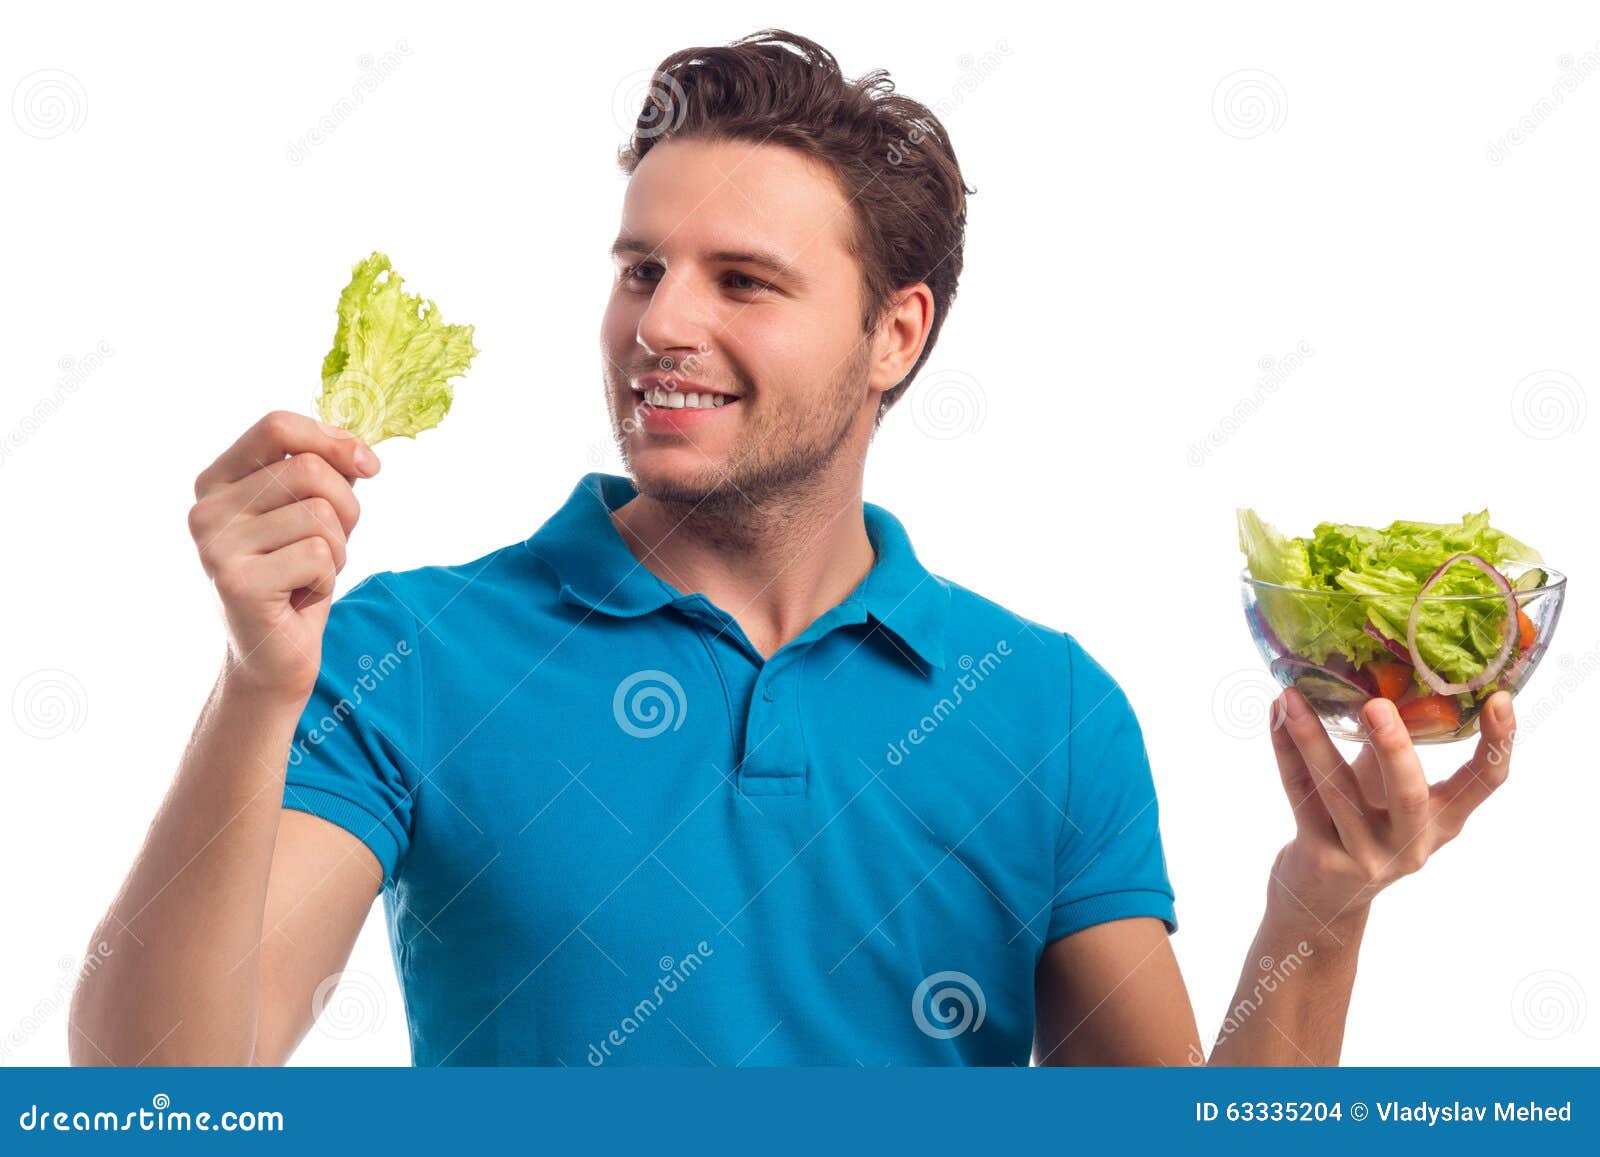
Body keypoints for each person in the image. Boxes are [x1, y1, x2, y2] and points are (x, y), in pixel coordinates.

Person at [70, 29, 1515, 1067]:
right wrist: (259, 683)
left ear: (897, 334)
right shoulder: (409, 650)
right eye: (640, 267)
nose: (659, 324)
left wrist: (1317, 908)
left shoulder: (1044, 710)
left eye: (741, 280)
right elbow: (153, 1091)